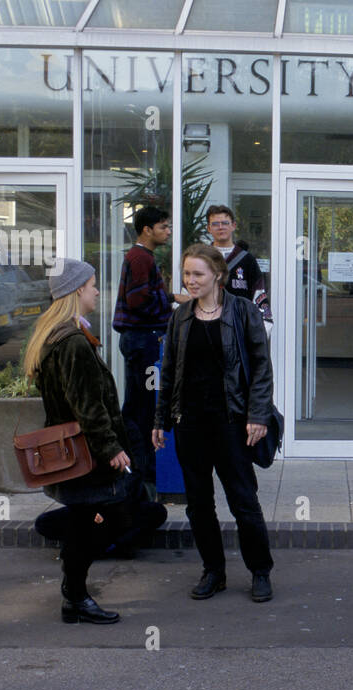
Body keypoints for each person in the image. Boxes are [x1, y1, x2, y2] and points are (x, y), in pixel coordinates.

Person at [152, 244, 275, 603]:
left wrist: (257, 415)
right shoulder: (180, 316)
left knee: (243, 501)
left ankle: (260, 571)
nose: (190, 281)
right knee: (199, 504)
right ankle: (213, 571)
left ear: (218, 276)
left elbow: (261, 368)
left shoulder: (243, 312)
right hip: (190, 423)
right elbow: (170, 371)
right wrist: (161, 420)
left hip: (232, 422)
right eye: (186, 274)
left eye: (198, 274)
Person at [25, 258, 138, 625]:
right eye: (92, 285)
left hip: (73, 453)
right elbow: (87, 407)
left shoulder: (55, 334)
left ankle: (74, 593)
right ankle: (74, 594)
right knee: (112, 519)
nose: (96, 292)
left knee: (86, 520)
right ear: (76, 291)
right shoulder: (71, 341)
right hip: (85, 454)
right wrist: (111, 449)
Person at [112, 206, 188, 500]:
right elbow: (137, 301)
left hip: (142, 340)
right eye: (164, 226)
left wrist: (170, 297)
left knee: (140, 407)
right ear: (147, 229)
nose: (168, 231)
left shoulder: (141, 257)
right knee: (141, 411)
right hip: (143, 341)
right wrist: (169, 303)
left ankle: (141, 474)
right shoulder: (140, 257)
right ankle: (142, 477)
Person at [207, 204, 273, 333]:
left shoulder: (247, 260)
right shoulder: (201, 258)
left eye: (225, 223)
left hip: (239, 330)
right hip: (207, 329)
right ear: (208, 228)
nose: (220, 227)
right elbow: (188, 295)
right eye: (215, 224)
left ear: (233, 226)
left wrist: (261, 333)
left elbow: (258, 296)